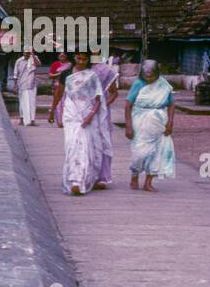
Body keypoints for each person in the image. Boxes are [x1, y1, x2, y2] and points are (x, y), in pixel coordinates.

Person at [56, 52, 112, 196]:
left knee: (86, 146)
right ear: (74, 57)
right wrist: (52, 110)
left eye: (84, 58)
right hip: (71, 113)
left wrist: (90, 115)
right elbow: (59, 92)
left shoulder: (92, 76)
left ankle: (78, 181)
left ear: (88, 60)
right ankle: (73, 177)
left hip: (87, 112)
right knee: (72, 146)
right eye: (78, 58)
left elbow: (99, 98)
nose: (81, 61)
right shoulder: (66, 74)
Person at [124, 59, 176, 192]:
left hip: (158, 121)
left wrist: (170, 122)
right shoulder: (138, 84)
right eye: (146, 74)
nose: (148, 77)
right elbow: (128, 105)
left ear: (157, 73)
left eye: (151, 74)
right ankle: (135, 175)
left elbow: (171, 104)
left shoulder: (164, 85)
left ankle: (148, 182)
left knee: (156, 152)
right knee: (139, 152)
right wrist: (128, 126)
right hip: (140, 120)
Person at [93, 58, 121, 188]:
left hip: (102, 113)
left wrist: (103, 105)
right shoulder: (81, 68)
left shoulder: (106, 70)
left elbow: (114, 93)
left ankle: (102, 177)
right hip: (84, 111)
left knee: (104, 142)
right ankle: (87, 175)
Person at [14, 51, 40, 125]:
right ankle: (22, 119)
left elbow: (38, 64)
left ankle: (32, 120)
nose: (27, 54)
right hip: (22, 84)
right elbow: (15, 74)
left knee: (32, 102)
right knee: (22, 102)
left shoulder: (34, 59)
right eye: (26, 52)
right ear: (23, 53)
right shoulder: (19, 61)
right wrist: (15, 85)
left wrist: (33, 55)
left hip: (32, 84)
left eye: (29, 53)